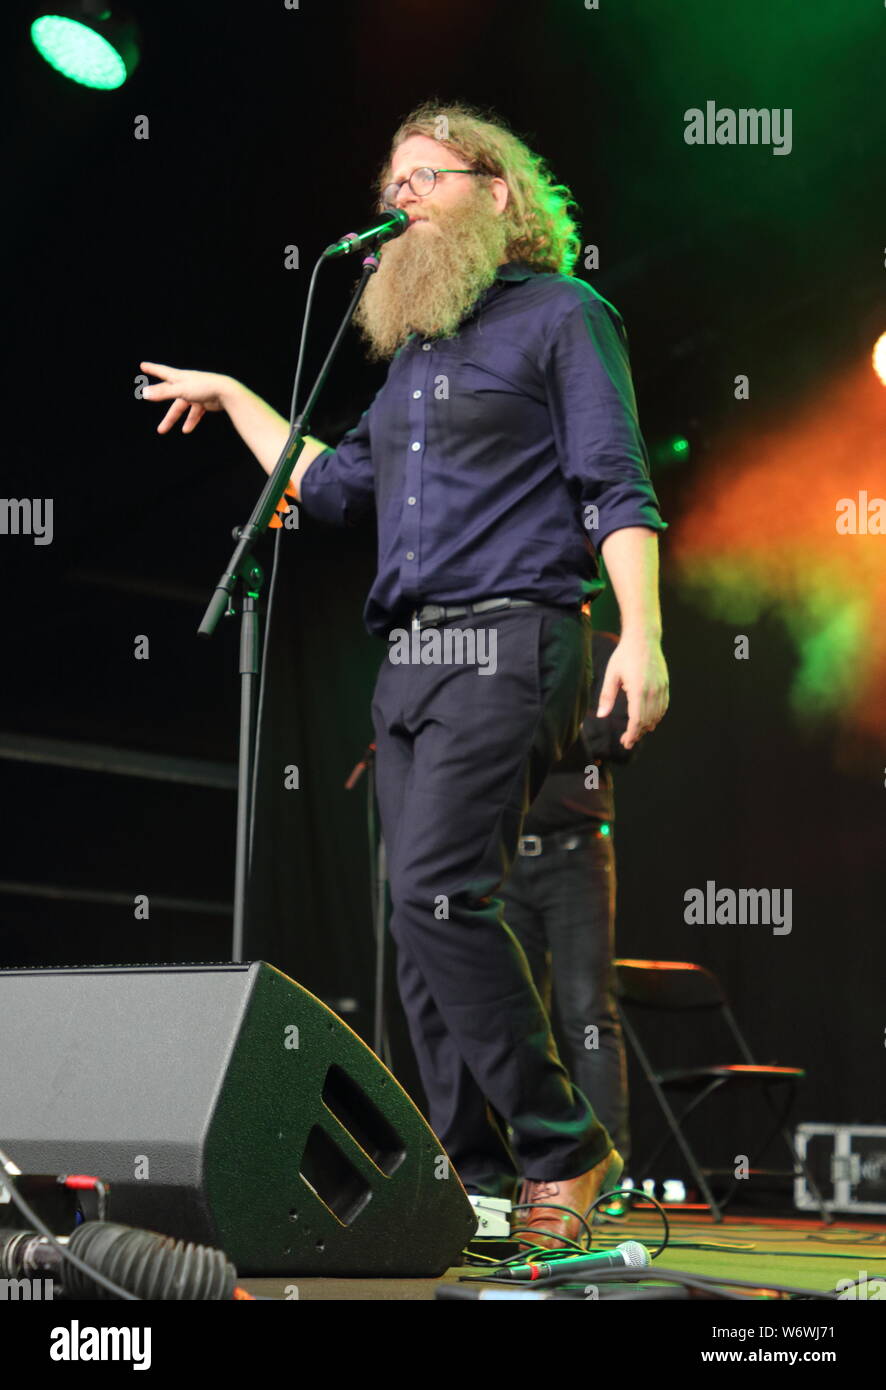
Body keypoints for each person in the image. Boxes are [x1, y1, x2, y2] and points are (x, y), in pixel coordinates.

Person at [140, 100, 669, 1250]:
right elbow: (330, 491)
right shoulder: (416, 360)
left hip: (515, 636)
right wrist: (238, 395)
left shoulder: (563, 318)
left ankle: (566, 1149)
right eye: (392, 184)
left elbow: (615, 482)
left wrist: (642, 632)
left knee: (437, 892)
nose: (400, 199)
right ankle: (469, 1172)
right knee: (414, 923)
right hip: (412, 661)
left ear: (497, 193)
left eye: (426, 176)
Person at [500, 628, 634, 1216]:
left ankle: (606, 1173)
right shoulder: (503, 644)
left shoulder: (603, 650)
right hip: (506, 852)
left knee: (587, 1013)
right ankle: (526, 1172)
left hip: (578, 853)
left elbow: (614, 737)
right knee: (510, 1012)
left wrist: (535, 726)